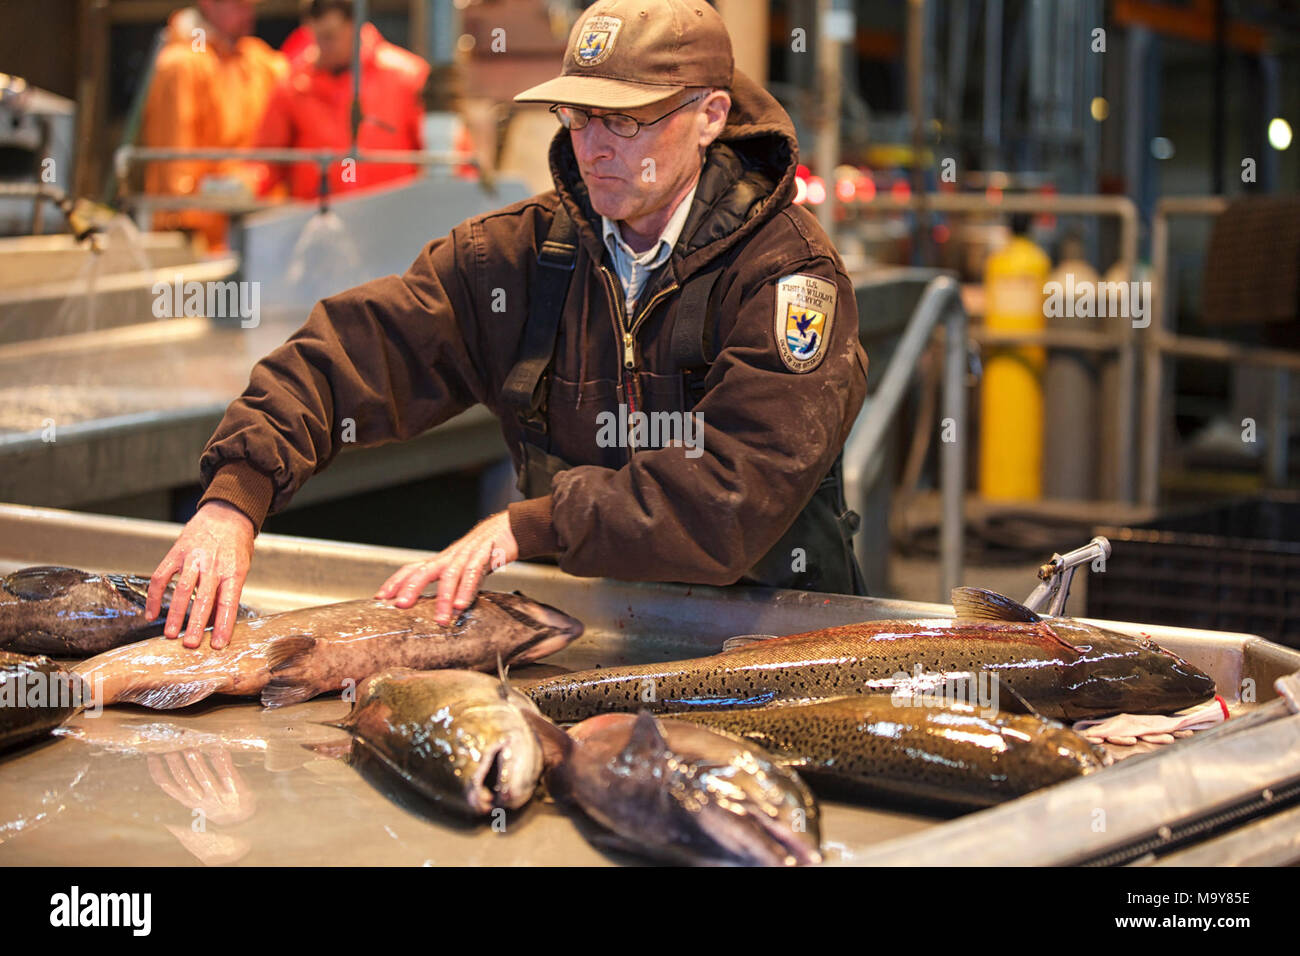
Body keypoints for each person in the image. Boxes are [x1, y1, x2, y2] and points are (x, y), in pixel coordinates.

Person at [147, 0, 870, 650]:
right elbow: (356, 353)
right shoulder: (523, 257)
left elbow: (730, 500)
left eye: (625, 119)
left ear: (710, 116)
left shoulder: (785, 276)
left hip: (779, 649)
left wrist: (532, 524)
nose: (594, 146)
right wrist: (235, 498)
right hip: (583, 635)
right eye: (578, 117)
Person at [139, 0, 287, 250]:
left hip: (258, 229)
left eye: (250, 7)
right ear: (208, 4)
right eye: (239, 6)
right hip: (203, 240)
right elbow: (176, 163)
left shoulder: (257, 59)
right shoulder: (183, 65)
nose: (248, 14)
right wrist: (186, 228)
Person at [253, 0, 430, 201]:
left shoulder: (406, 77)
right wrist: (240, 186)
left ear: (355, 26)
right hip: (318, 219)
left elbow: (445, 153)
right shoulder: (293, 85)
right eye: (315, 37)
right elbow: (266, 161)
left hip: (392, 215)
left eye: (330, 36)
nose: (322, 47)